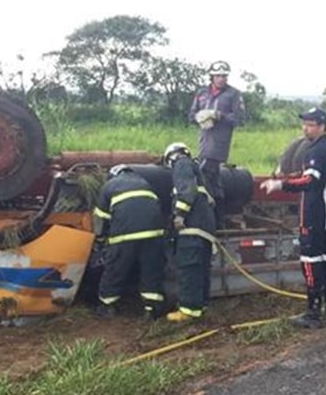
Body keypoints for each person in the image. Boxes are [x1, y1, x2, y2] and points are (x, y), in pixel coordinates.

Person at [260, 107, 326, 328]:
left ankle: (313, 314)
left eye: (310, 124)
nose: (305, 128)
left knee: (311, 263)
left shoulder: (315, 151)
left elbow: (312, 181)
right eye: (304, 124)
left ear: (322, 126)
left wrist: (280, 184)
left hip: (315, 217)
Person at [92, 164, 167, 319]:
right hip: (153, 234)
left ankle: (108, 306)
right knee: (151, 269)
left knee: (116, 269)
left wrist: (99, 239)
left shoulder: (109, 185)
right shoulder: (145, 183)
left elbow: (100, 216)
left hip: (124, 235)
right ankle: (151, 309)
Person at [163, 142, 218, 322]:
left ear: (171, 156)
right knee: (200, 268)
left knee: (189, 268)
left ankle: (188, 310)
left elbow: (186, 191)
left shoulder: (182, 163)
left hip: (192, 227)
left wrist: (179, 215)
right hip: (204, 228)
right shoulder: (198, 170)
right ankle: (199, 306)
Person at [188, 60, 246, 227]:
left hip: (219, 143)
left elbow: (239, 119)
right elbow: (191, 115)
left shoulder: (233, 94)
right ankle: (218, 218)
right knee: (213, 180)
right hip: (204, 140)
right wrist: (200, 117)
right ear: (212, 76)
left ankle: (213, 218)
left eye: (224, 76)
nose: (221, 79)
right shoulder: (201, 93)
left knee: (206, 173)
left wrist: (219, 115)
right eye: (218, 75)